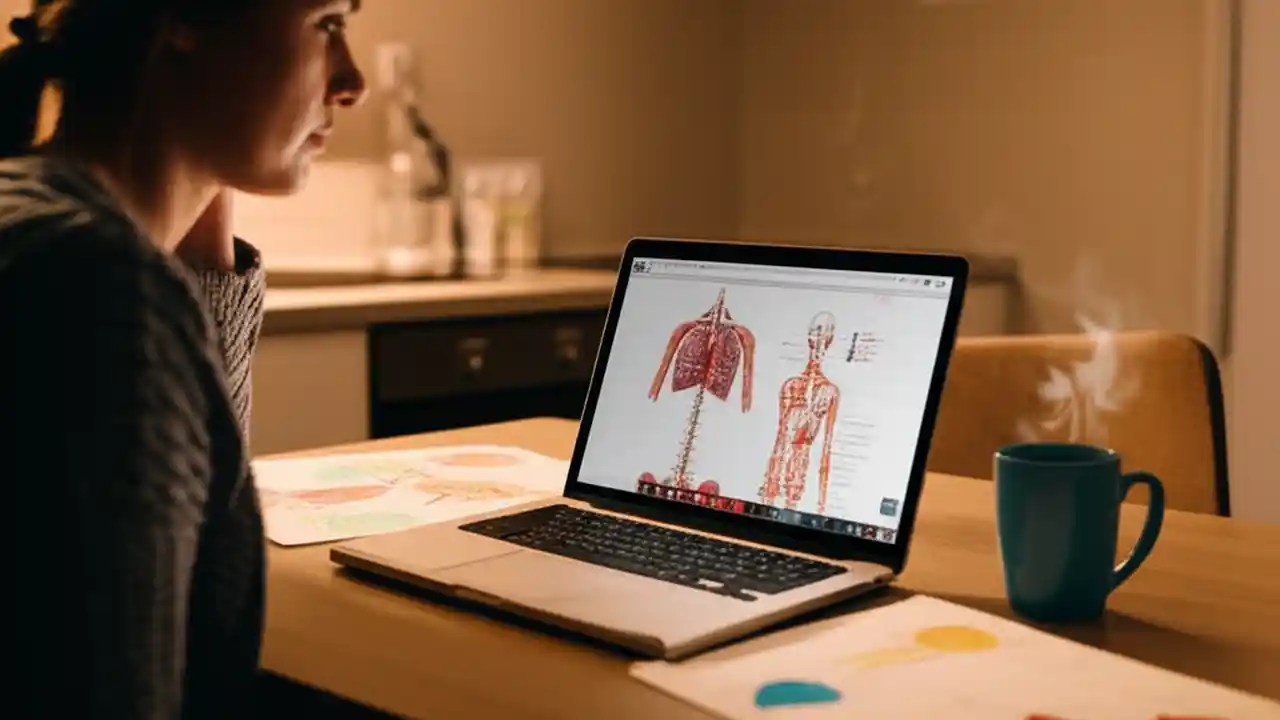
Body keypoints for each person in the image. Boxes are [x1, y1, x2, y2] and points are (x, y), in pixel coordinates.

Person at [0, 1, 366, 717]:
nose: (351, 81)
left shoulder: (48, 223)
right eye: (326, 22)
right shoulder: (93, 287)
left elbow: (196, 534)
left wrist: (201, 222)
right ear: (182, 16)